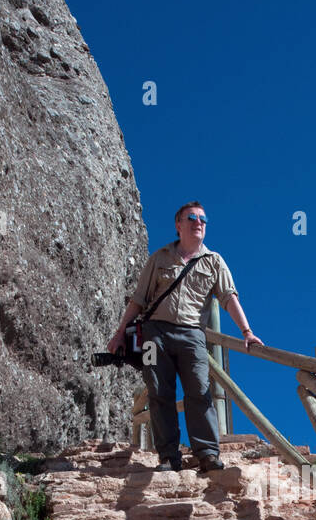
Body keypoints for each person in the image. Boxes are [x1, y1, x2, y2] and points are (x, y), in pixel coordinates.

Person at [109, 202, 263, 472]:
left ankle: (207, 454)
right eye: (191, 217)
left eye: (203, 218)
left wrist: (246, 332)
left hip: (193, 335)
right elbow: (138, 300)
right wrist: (120, 333)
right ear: (178, 225)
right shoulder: (159, 257)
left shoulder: (214, 261)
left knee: (200, 392)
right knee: (159, 392)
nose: (199, 222)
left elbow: (229, 298)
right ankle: (168, 456)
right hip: (154, 333)